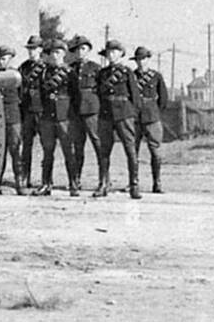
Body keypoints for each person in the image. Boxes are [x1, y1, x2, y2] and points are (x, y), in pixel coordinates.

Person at [95, 38, 143, 199]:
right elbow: (98, 95)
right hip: (106, 115)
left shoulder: (127, 72)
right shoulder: (102, 74)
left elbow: (135, 96)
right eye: (109, 52)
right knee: (104, 152)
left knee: (130, 150)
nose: (111, 55)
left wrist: (133, 116)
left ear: (121, 54)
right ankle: (103, 184)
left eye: (114, 52)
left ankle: (134, 185)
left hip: (124, 114)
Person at [32, 38, 76, 197]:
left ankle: (73, 183)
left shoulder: (70, 72)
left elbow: (75, 96)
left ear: (63, 54)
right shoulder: (45, 72)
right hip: (47, 118)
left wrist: (72, 118)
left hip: (64, 118)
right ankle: (46, 184)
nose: (55, 56)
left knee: (68, 152)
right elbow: (41, 94)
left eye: (58, 53)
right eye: (52, 53)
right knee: (47, 152)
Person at [67, 35, 101, 197]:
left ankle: (103, 181)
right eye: (77, 50)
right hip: (75, 111)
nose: (80, 52)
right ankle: (76, 180)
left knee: (98, 145)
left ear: (88, 50)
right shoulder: (70, 68)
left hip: (92, 110)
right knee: (77, 148)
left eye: (83, 49)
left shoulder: (96, 68)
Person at [132, 46, 169, 193]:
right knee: (132, 152)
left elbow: (163, 99)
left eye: (144, 59)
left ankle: (157, 182)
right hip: (135, 118)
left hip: (152, 117)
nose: (141, 62)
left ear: (148, 59)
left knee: (155, 151)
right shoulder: (131, 76)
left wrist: (155, 112)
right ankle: (133, 183)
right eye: (139, 59)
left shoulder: (156, 76)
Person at [0, 45, 24, 195]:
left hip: (14, 117)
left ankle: (20, 183)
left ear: (10, 59)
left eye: (4, 59)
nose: (1, 62)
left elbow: (23, 97)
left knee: (16, 150)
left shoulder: (16, 75)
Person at [18, 35, 45, 188]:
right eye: (29, 49)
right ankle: (24, 177)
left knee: (46, 147)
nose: (31, 52)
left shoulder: (46, 67)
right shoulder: (23, 67)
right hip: (28, 110)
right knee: (26, 145)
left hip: (42, 110)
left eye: (34, 49)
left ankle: (45, 180)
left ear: (40, 50)